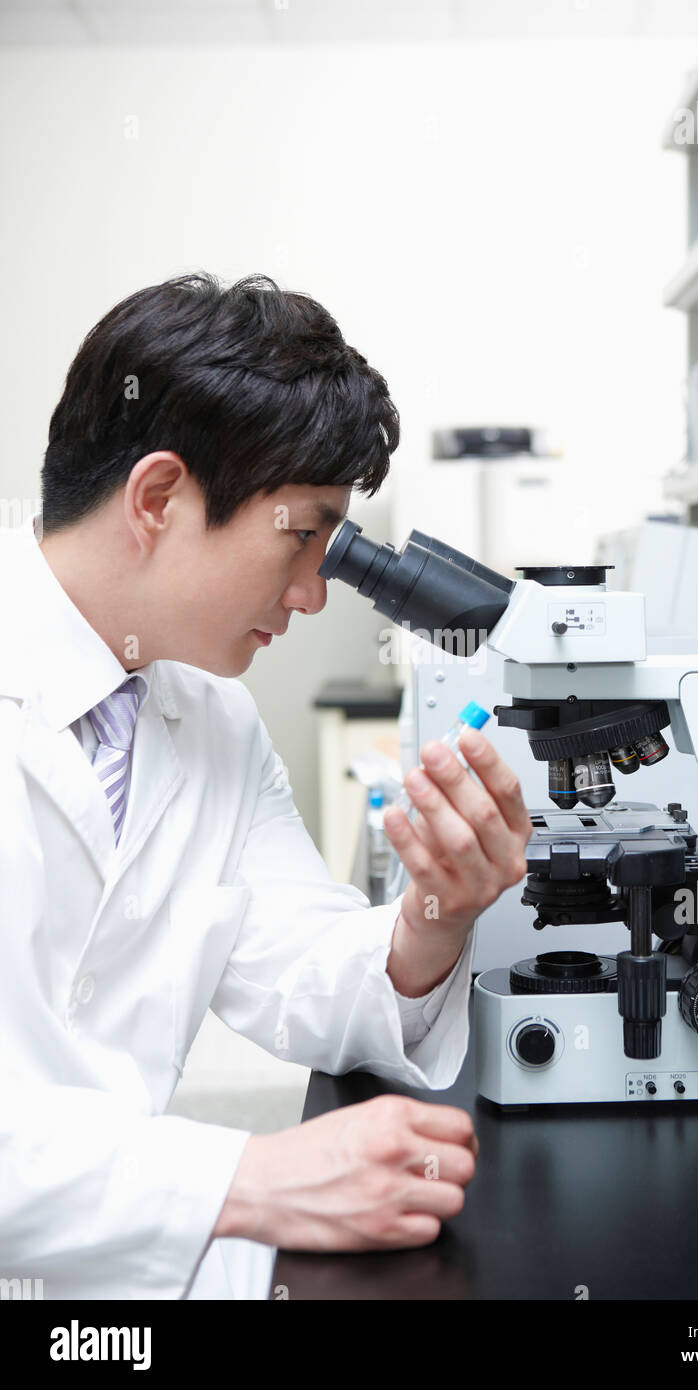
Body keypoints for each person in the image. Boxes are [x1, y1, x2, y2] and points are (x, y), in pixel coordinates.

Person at [0, 274, 532, 1299]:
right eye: (302, 535)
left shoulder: (209, 717)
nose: (311, 591)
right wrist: (240, 1178)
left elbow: (304, 969)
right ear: (158, 498)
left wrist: (434, 911)